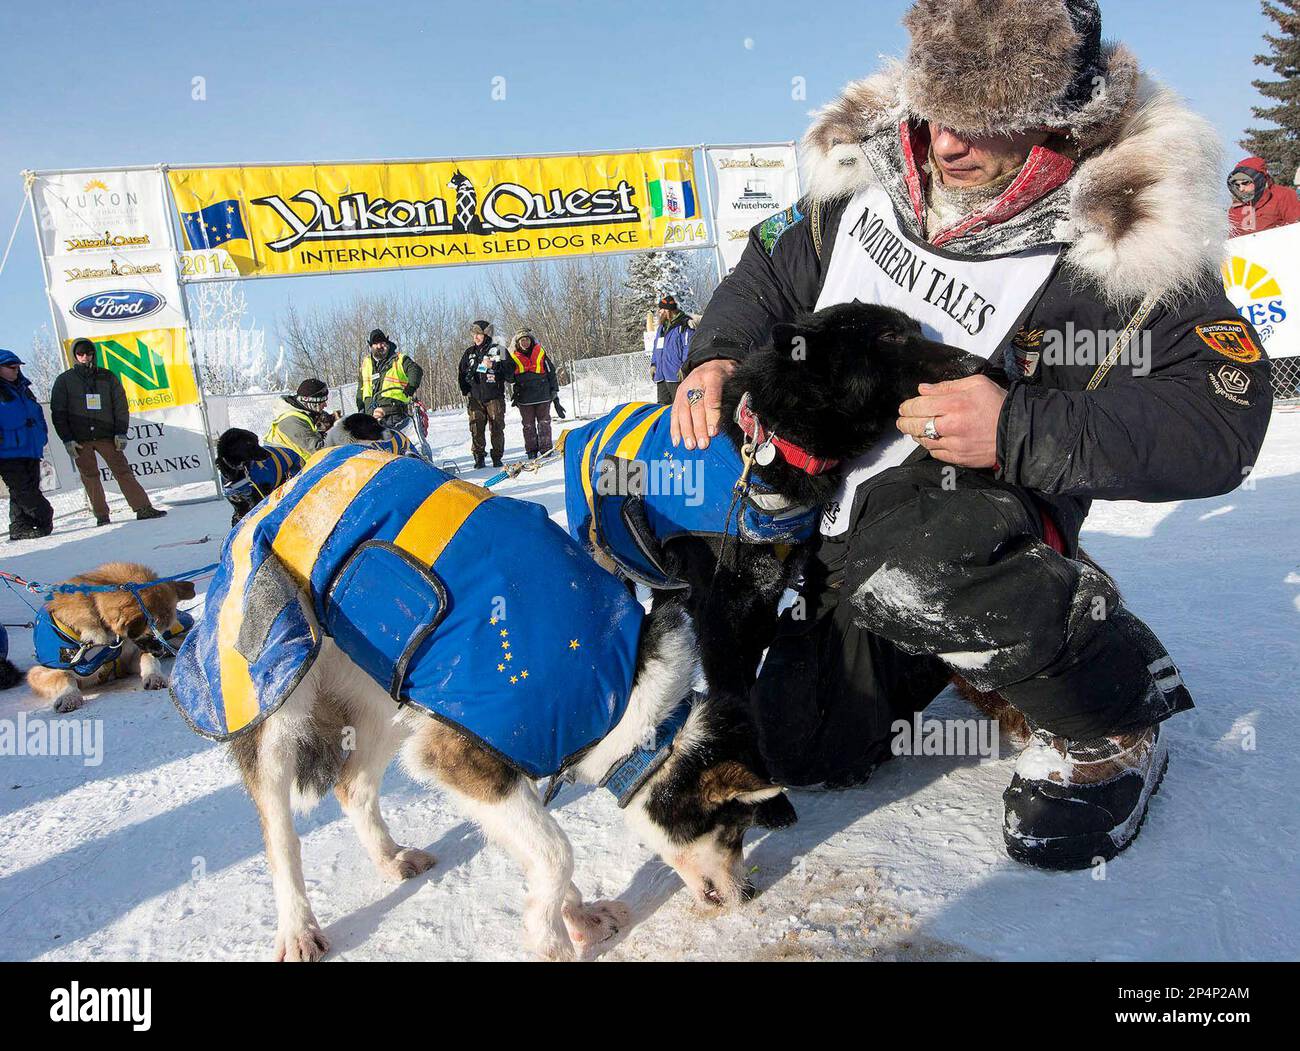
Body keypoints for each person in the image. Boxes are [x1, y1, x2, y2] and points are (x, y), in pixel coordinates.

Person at [673, 0, 1272, 870]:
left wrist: (1017, 424)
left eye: (985, 123)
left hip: (984, 509)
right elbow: (766, 267)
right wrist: (718, 357)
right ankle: (947, 639)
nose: (947, 145)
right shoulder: (866, 179)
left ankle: (1108, 711)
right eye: (937, 112)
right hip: (848, 519)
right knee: (805, 742)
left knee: (922, 552)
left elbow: (1223, 414)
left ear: (1058, 117)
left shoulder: (1116, 232)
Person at [50, 338, 166, 526]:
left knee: (123, 472)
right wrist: (67, 439)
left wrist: (120, 432)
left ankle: (142, 507)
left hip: (107, 436)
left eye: (88, 353)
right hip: (80, 439)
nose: (85, 357)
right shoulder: (64, 381)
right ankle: (101, 515)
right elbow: (59, 412)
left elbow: (120, 406)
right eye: (80, 354)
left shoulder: (107, 377)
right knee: (90, 477)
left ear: (94, 354)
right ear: (74, 356)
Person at [0, 349, 55, 541]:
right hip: (6, 453)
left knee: (24, 491)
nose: (16, 370)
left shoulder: (24, 389)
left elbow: (37, 415)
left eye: (17, 367)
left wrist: (42, 436)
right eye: (10, 367)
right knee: (26, 492)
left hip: (30, 449)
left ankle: (19, 527)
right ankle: (44, 517)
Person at [356, 329, 430, 459]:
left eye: (383, 342)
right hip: (370, 415)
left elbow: (415, 370)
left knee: (392, 443)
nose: (380, 346)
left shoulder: (399, 359)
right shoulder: (366, 364)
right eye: (376, 343)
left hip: (393, 412)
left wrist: (410, 387)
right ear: (371, 346)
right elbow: (361, 389)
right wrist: (361, 407)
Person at [457, 320, 509, 468]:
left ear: (486, 334)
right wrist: (465, 389)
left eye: (478, 334)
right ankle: (479, 457)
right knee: (476, 428)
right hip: (475, 397)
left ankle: (497, 457)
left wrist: (494, 366)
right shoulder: (469, 353)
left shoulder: (500, 349)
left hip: (494, 396)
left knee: (497, 427)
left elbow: (510, 373)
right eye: (474, 334)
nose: (476, 337)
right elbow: (461, 372)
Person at [506, 328, 563, 459]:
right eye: (522, 341)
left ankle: (546, 449)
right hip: (524, 397)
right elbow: (509, 378)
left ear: (531, 341)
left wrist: (554, 391)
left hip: (543, 395)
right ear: (517, 343)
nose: (524, 342)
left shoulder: (541, 354)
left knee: (544, 423)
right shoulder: (512, 357)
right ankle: (531, 450)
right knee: (528, 425)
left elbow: (551, 373)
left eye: (526, 339)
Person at [1228, 156, 1300, 236]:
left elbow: (1296, 229)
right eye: (1237, 185)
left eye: (1245, 183)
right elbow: (1232, 240)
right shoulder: (1236, 208)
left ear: (1258, 179)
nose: (1241, 189)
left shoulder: (1283, 195)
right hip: (1246, 248)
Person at [264, 378, 337, 458]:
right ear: (310, 402)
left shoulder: (308, 411)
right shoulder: (292, 422)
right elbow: (320, 450)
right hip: (285, 467)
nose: (325, 405)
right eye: (321, 402)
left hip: (297, 462)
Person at [650, 294, 692, 405]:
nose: (659, 312)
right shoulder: (661, 328)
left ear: (668, 311)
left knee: (679, 406)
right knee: (661, 408)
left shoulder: (683, 325)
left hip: (675, 375)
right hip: (661, 374)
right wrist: (654, 364)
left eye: (662, 309)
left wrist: (684, 367)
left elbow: (688, 348)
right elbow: (656, 348)